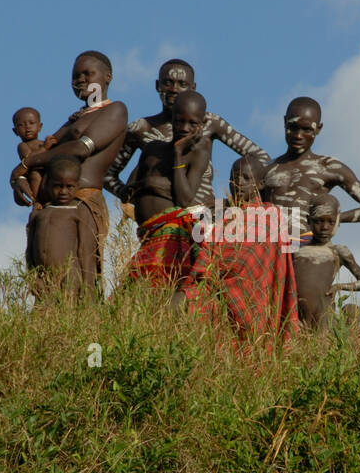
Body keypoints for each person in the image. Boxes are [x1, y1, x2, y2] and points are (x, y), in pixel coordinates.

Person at [12, 51, 126, 288]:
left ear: (107, 77)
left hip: (81, 202)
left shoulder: (115, 110)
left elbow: (80, 150)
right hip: (49, 206)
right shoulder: (74, 119)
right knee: (45, 280)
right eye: (76, 76)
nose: (81, 80)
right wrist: (20, 179)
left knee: (79, 278)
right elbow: (43, 152)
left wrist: (27, 164)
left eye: (88, 74)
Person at [104, 58, 267, 211]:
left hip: (204, 215)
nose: (174, 89)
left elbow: (260, 157)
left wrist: (234, 201)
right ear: (157, 85)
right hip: (162, 218)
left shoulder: (210, 122)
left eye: (182, 84)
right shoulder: (141, 128)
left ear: (193, 88)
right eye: (168, 82)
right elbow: (107, 175)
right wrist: (135, 198)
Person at [173, 156, 299, 345]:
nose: (238, 183)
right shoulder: (223, 216)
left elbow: (244, 257)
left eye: (246, 178)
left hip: (251, 295)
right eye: (234, 178)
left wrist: (211, 273)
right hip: (215, 288)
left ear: (261, 184)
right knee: (176, 306)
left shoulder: (268, 215)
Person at [124, 91, 214, 288]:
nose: (184, 128)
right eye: (179, 121)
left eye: (192, 123)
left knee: (146, 289)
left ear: (203, 123)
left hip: (171, 236)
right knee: (138, 289)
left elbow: (184, 200)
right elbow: (131, 188)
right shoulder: (152, 149)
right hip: (147, 233)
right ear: (171, 117)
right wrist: (156, 185)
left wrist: (178, 154)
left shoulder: (198, 154)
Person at [260, 97, 360, 234]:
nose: (298, 135)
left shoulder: (328, 167)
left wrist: (334, 218)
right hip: (268, 245)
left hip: (304, 245)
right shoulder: (267, 168)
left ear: (318, 129)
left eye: (306, 130)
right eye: (293, 127)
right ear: (285, 123)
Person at [25, 156, 98, 298]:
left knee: (69, 311)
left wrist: (88, 286)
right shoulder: (38, 214)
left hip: (70, 275)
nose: (63, 191)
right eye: (58, 186)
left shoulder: (80, 211)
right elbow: (30, 250)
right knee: (44, 315)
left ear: (77, 186)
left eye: (69, 187)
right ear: (47, 185)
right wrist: (32, 276)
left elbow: (86, 250)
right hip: (43, 278)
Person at [293, 195, 360, 328]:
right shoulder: (296, 250)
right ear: (308, 221)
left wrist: (338, 287)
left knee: (321, 346)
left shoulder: (338, 251)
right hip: (295, 313)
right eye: (318, 221)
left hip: (322, 313)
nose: (324, 227)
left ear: (338, 222)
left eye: (331, 222)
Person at [10, 107, 54, 207]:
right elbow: (29, 159)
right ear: (15, 131)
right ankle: (38, 201)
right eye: (21, 125)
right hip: (35, 171)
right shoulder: (23, 146)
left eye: (31, 123)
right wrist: (44, 148)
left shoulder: (44, 143)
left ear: (40, 126)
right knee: (35, 175)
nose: (27, 127)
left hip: (48, 170)